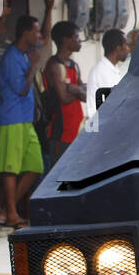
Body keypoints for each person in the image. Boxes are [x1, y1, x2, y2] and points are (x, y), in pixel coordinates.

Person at [0, 15, 48, 228]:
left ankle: (5, 209)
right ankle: (10, 213)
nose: (39, 36)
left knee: (36, 165)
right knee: (11, 168)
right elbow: (21, 88)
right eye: (36, 32)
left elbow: (46, 38)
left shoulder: (26, 54)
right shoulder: (12, 56)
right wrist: (33, 67)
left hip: (26, 119)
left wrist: (49, 8)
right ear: (26, 33)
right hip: (12, 118)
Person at [42, 20, 86, 170]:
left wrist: (75, 89)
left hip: (75, 131)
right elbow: (64, 98)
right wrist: (77, 91)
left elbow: (86, 95)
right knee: (59, 177)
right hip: (60, 133)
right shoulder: (54, 65)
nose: (80, 41)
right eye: (76, 37)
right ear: (66, 39)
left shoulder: (74, 65)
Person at [84, 28, 130, 121]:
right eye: (126, 45)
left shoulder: (113, 68)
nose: (128, 49)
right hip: (102, 126)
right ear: (118, 48)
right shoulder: (102, 71)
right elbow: (114, 104)